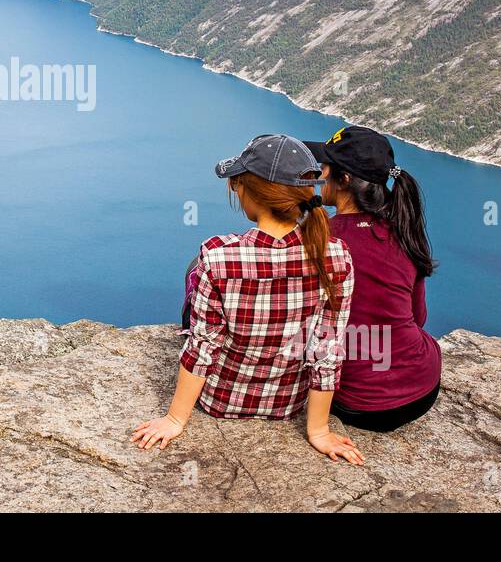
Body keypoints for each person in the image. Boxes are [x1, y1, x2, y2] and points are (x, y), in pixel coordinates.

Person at [132, 134, 362, 463]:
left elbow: (203, 345)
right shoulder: (336, 257)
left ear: (249, 190)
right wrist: (319, 431)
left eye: (237, 185)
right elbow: (327, 349)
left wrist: (174, 419)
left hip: (221, 401)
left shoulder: (218, 256)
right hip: (287, 404)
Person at [304, 126, 441, 432]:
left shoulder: (320, 236)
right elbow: (418, 318)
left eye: (324, 167)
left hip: (357, 402)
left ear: (344, 179)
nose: (319, 174)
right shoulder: (402, 230)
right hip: (422, 389)